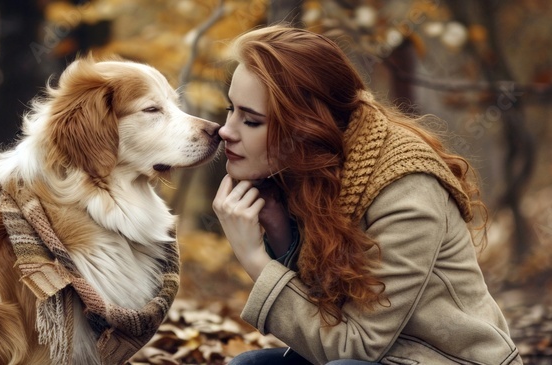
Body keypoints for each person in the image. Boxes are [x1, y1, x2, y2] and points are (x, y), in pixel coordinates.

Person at [212, 25, 522, 365]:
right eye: (231, 109)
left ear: (305, 127)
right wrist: (282, 237)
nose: (226, 130)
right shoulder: (310, 171)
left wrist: (255, 259)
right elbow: (325, 313)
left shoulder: (406, 189)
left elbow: (356, 347)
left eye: (252, 121)